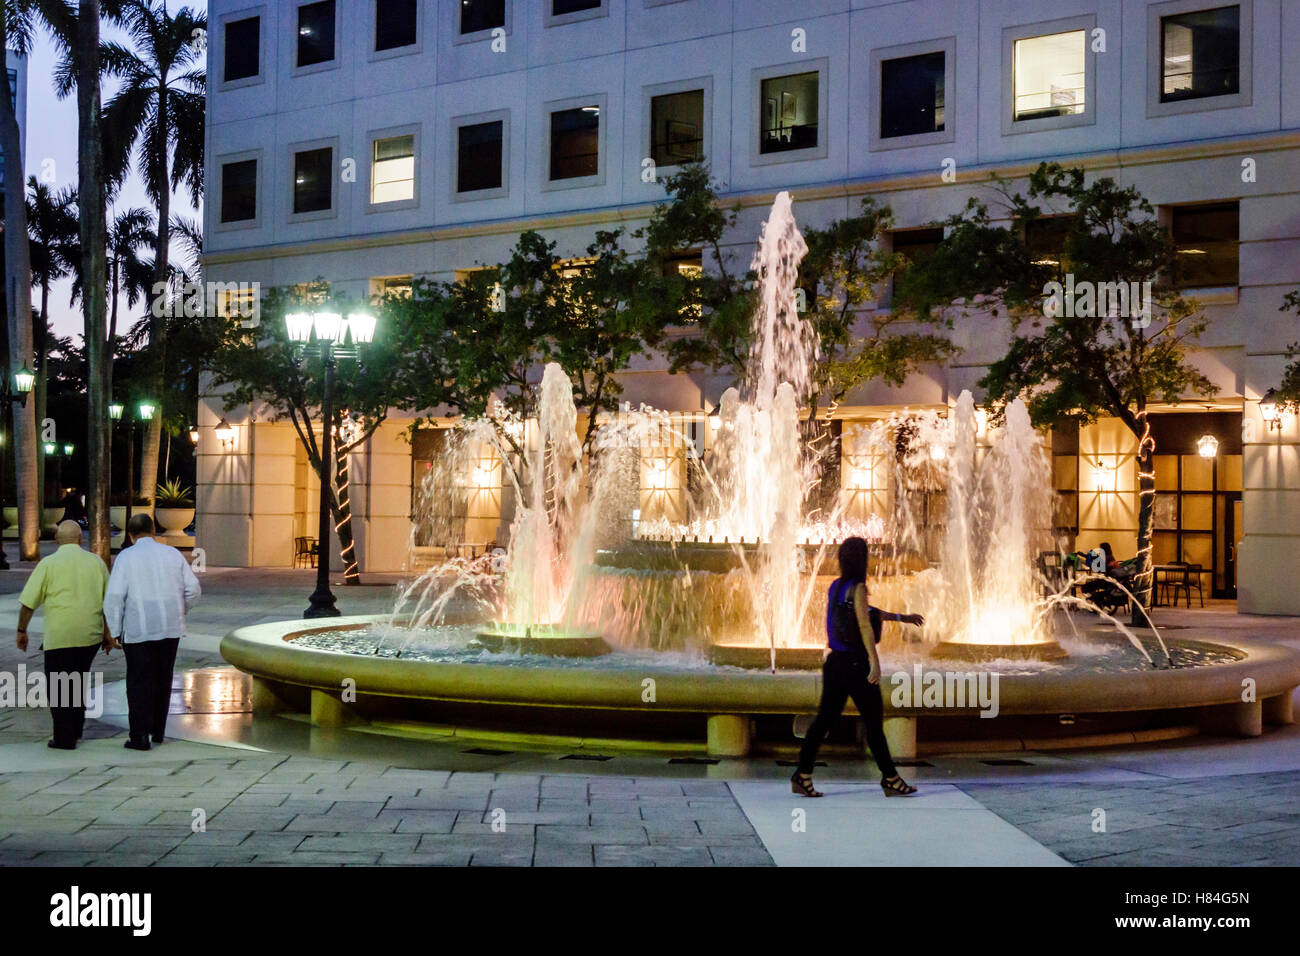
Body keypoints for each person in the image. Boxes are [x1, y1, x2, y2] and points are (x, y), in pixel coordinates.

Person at [792, 536, 924, 799]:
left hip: (834, 663)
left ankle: (802, 775)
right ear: (861, 560)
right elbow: (864, 625)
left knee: (823, 721)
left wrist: (900, 617)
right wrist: (874, 662)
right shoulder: (859, 588)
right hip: (855, 665)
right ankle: (890, 779)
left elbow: (865, 611)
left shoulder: (836, 587)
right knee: (874, 724)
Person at [103, 513, 201, 751]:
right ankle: (158, 731)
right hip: (170, 628)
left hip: (138, 629)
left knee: (138, 681)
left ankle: (140, 735)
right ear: (154, 531)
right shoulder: (172, 554)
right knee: (163, 679)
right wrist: (180, 610)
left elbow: (114, 597)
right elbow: (194, 589)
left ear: (131, 534)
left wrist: (114, 630)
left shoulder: (126, 557)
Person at [15, 521, 116, 750]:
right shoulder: (96, 563)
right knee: (78, 681)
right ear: (81, 539)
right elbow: (108, 604)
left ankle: (64, 738)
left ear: (57, 540)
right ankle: (76, 729)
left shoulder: (48, 564)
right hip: (89, 635)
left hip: (59, 635)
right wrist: (108, 636)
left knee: (60, 686)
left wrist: (22, 630)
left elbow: (29, 603)